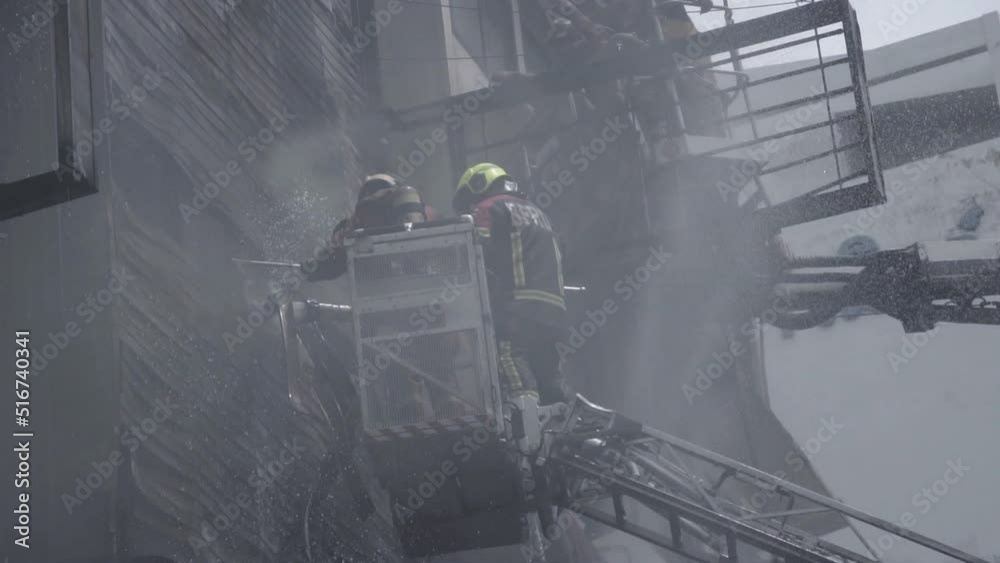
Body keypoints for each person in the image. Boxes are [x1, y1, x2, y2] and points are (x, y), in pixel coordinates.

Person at [453, 163, 571, 406]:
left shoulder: (488, 208)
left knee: (511, 359)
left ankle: (526, 422)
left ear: (478, 186)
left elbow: (478, 252)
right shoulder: (539, 213)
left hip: (517, 307)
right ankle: (561, 415)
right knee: (547, 371)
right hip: (553, 309)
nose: (470, 207)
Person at [303, 173, 430, 282]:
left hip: (380, 285)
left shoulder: (361, 217)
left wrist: (309, 270)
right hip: (417, 272)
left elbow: (336, 261)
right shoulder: (410, 198)